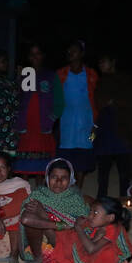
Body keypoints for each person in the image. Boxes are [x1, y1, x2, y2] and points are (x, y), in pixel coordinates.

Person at [41, 197, 132, 263]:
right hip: (95, 259)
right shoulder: (101, 223)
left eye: (95, 213)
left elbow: (91, 249)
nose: (90, 216)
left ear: (110, 218)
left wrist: (78, 227)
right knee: (66, 239)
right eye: (91, 211)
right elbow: (88, 240)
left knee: (106, 253)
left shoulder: (113, 230)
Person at [21, 158, 92, 263]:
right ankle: (38, 258)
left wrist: (43, 214)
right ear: (47, 178)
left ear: (71, 180)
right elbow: (25, 219)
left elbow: (81, 225)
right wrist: (59, 224)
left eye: (64, 178)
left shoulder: (75, 198)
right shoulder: (39, 194)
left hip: (64, 244)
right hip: (41, 242)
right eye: (54, 177)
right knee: (32, 219)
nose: (58, 182)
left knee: (43, 222)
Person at [93, 53, 132, 199]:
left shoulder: (125, 79)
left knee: (124, 171)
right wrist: (92, 136)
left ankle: (124, 200)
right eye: (99, 62)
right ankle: (101, 200)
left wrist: (114, 101)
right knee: (103, 170)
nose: (101, 65)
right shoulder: (101, 81)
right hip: (104, 130)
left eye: (104, 61)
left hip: (122, 131)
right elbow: (100, 102)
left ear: (113, 62)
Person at [54, 40, 100, 188]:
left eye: (74, 51)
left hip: (89, 126)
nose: (70, 54)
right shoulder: (60, 74)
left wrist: (96, 127)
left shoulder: (92, 75)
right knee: (65, 163)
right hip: (66, 127)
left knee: (83, 163)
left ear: (82, 54)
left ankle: (77, 194)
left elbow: (97, 101)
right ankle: (64, 193)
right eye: (68, 51)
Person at [14, 43, 57, 178]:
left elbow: (59, 102)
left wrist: (51, 119)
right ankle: (24, 191)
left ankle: (40, 194)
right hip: (26, 126)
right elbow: (19, 98)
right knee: (24, 164)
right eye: (32, 54)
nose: (35, 57)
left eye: (37, 53)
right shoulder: (26, 75)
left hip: (43, 125)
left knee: (41, 164)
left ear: (43, 56)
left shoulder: (50, 76)